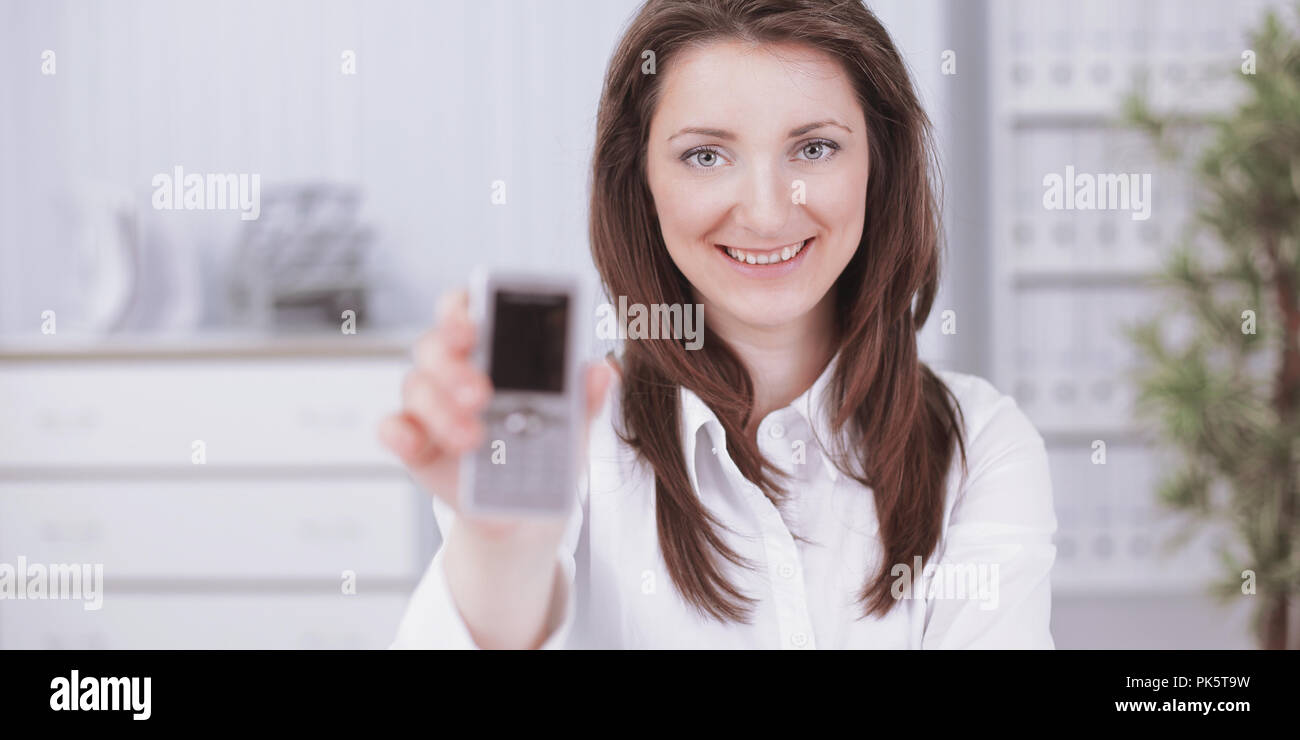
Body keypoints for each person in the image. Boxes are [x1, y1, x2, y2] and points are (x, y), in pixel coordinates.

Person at [380, 0, 1056, 649]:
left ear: (880, 165)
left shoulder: (979, 446)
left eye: (815, 148)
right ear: (639, 179)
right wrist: (503, 553)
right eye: (706, 155)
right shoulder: (568, 446)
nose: (765, 213)